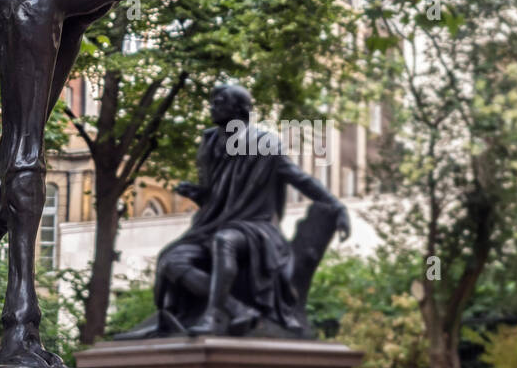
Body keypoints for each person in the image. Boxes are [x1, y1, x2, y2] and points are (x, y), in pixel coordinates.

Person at [122, 83, 350, 338]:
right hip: (213, 224)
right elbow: (217, 196)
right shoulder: (210, 143)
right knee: (171, 259)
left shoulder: (263, 144)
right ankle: (236, 309)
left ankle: (215, 314)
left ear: (240, 109)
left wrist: (336, 204)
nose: (213, 106)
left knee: (225, 241)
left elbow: (299, 179)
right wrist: (199, 194)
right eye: (212, 101)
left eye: (220, 101)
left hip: (255, 226)